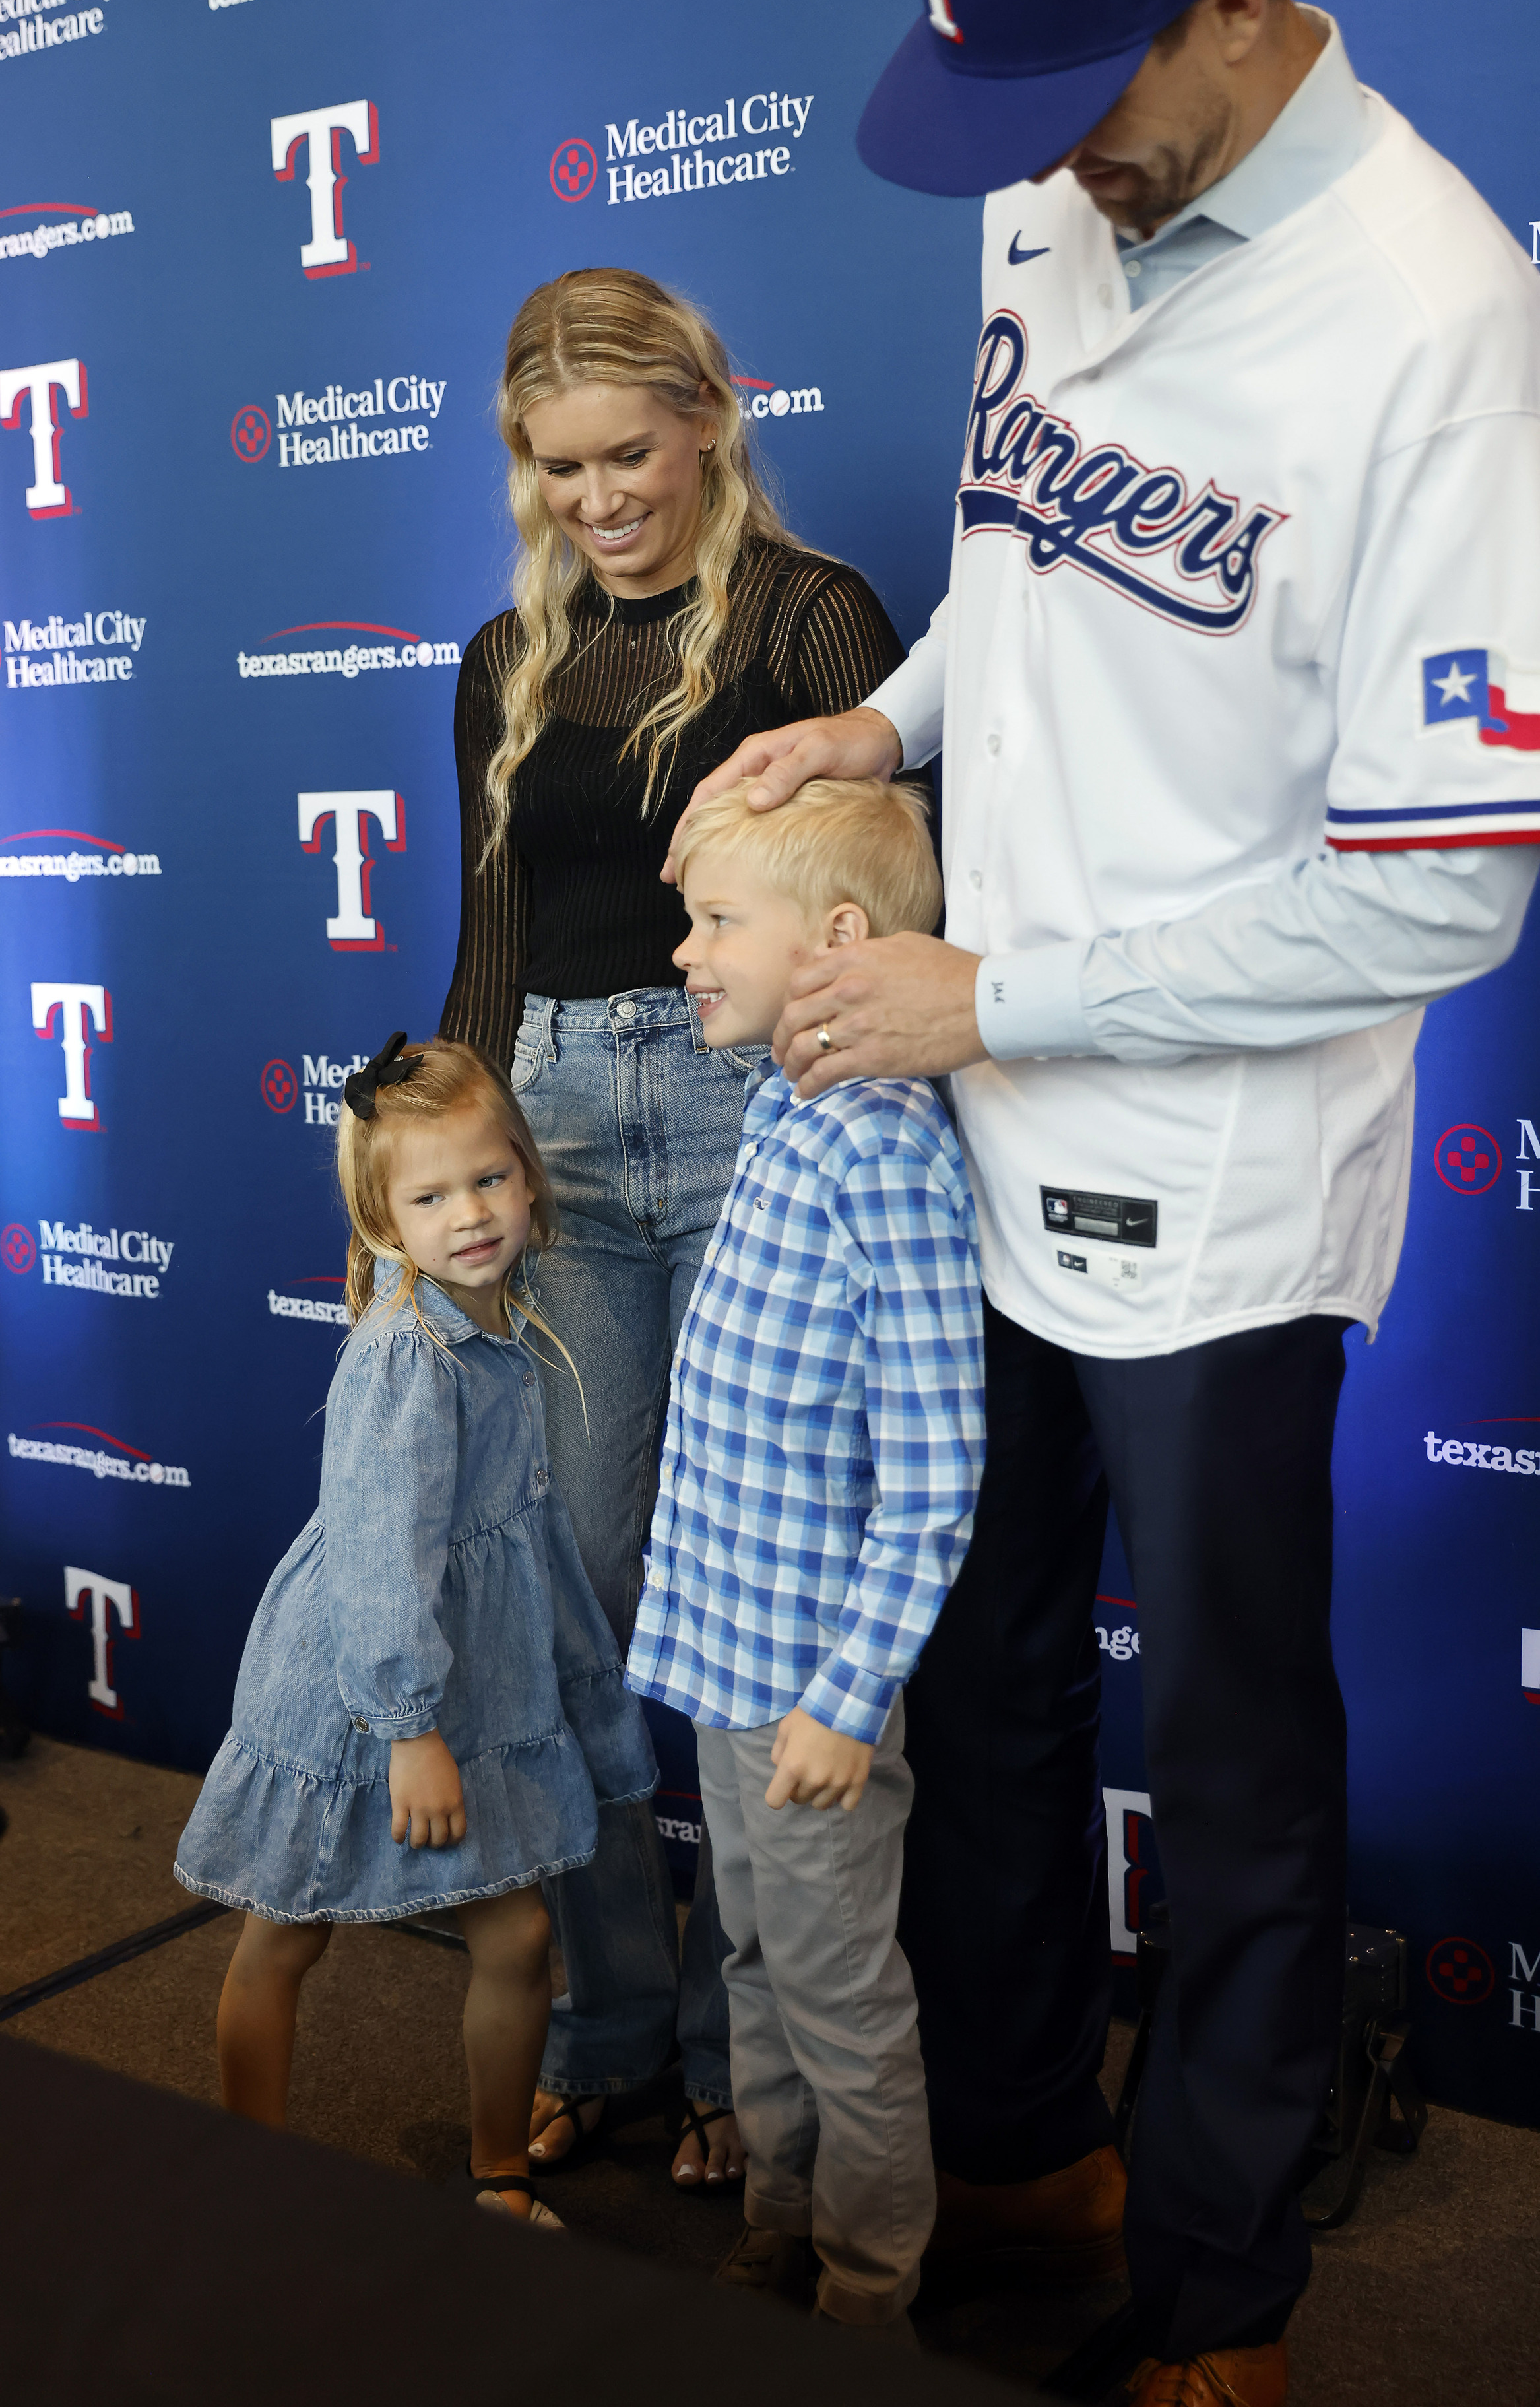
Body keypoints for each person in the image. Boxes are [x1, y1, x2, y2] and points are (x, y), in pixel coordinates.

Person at [666, 0, 1540, 2406]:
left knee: (1236, 1758)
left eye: (1081, 99)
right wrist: (888, 729)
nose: (1047, 163)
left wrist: (998, 998)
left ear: (1235, 5)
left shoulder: (1438, 318)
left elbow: (1438, 886)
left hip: (1207, 1166)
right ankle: (1026, 2140)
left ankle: (1225, 2296)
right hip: (977, 1106)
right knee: (985, 1672)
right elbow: (1027, 566)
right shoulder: (1058, 171)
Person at [440, 269, 906, 2186]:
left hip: (757, 1117)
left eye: (628, 453)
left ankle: (745, 2064)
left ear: (708, 417)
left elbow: (884, 910)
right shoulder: (506, 652)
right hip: (552, 1121)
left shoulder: (814, 618)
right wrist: (437, 1163)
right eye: (558, 469)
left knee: (749, 1603)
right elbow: (493, 932)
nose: (599, 498)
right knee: (578, 1589)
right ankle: (610, 2026)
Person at [174, 1034, 655, 2229]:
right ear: (383, 1221)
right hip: (365, 1695)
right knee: (285, 1934)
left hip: (476, 1684)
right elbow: (383, 1561)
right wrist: (407, 1728)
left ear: (529, 1175)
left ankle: (499, 2179)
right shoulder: (407, 1355)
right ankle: (248, 2169)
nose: (470, 1215)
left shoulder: (506, 1322)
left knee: (519, 1933)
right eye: (431, 1197)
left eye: (488, 1179)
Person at [627, 778, 986, 2335]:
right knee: (754, 1956)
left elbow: (933, 1472)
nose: (685, 951)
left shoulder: (887, 1153)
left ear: (837, 938)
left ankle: (868, 2285)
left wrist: (849, 1697)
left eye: (718, 920)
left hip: (810, 1695)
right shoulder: (777, 1113)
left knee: (841, 1997)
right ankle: (780, 2215)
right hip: (727, 1660)